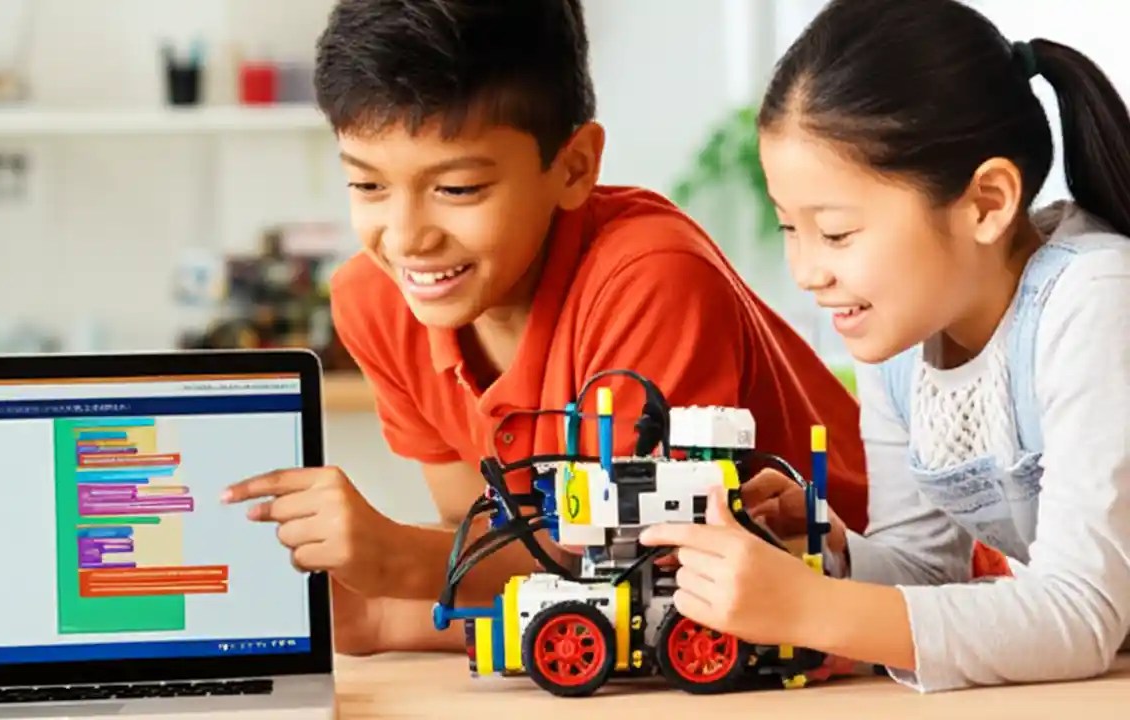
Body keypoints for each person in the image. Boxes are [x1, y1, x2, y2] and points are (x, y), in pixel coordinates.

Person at [221, 0, 870, 656]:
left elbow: (639, 563)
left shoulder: (650, 277)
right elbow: (488, 547)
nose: (407, 237)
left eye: (458, 189)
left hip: (881, 611)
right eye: (366, 185)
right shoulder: (377, 301)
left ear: (574, 166)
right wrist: (380, 617)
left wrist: (400, 562)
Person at [641, 0, 1130, 694]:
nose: (809, 271)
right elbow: (927, 571)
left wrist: (812, 609)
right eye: (789, 228)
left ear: (986, 203)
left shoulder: (1094, 298)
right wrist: (831, 556)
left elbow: (1082, 616)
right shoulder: (902, 333)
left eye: (836, 233)